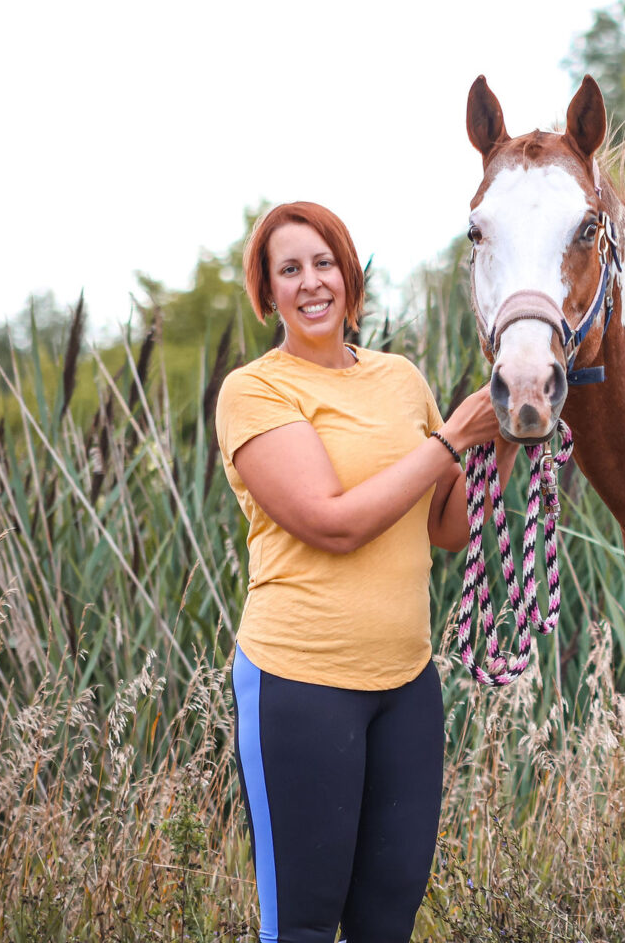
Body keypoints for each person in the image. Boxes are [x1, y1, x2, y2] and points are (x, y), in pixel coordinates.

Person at [214, 201, 514, 942]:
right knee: (305, 926)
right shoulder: (255, 391)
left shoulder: (400, 378)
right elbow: (333, 522)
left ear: (348, 274)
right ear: (268, 291)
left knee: (387, 922)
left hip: (407, 686)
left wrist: (503, 437)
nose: (311, 283)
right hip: (300, 684)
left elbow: (448, 527)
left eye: (323, 263)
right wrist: (452, 439)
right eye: (289, 270)